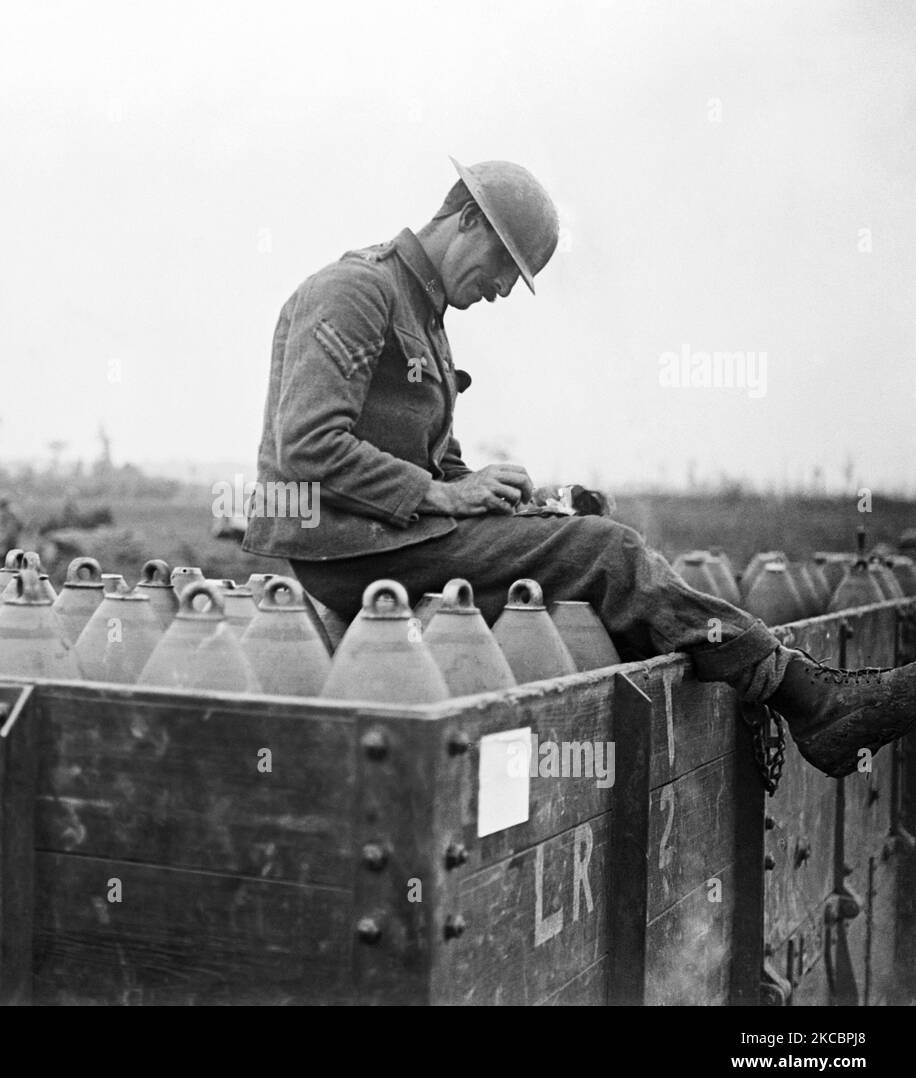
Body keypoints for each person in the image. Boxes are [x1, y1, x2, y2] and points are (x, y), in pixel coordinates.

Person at [242, 156, 916, 780]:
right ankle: (807, 698)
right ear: (467, 220)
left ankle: (697, 701)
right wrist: (448, 496)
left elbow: (433, 464)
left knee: (587, 528)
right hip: (346, 548)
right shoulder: (356, 290)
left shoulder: (424, 315)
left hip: (391, 535)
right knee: (609, 554)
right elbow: (307, 448)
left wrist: (504, 496)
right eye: (506, 265)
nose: (504, 290)